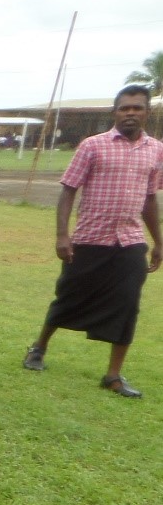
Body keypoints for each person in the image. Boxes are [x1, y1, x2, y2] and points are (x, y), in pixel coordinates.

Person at [22, 86, 163, 396]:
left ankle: (113, 375)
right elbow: (69, 190)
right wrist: (62, 235)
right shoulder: (92, 146)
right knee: (68, 296)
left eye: (137, 108)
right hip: (90, 238)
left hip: (130, 241)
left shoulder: (156, 150)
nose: (130, 113)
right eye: (124, 108)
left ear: (146, 112)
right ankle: (39, 347)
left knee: (128, 304)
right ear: (115, 112)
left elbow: (150, 199)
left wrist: (158, 241)